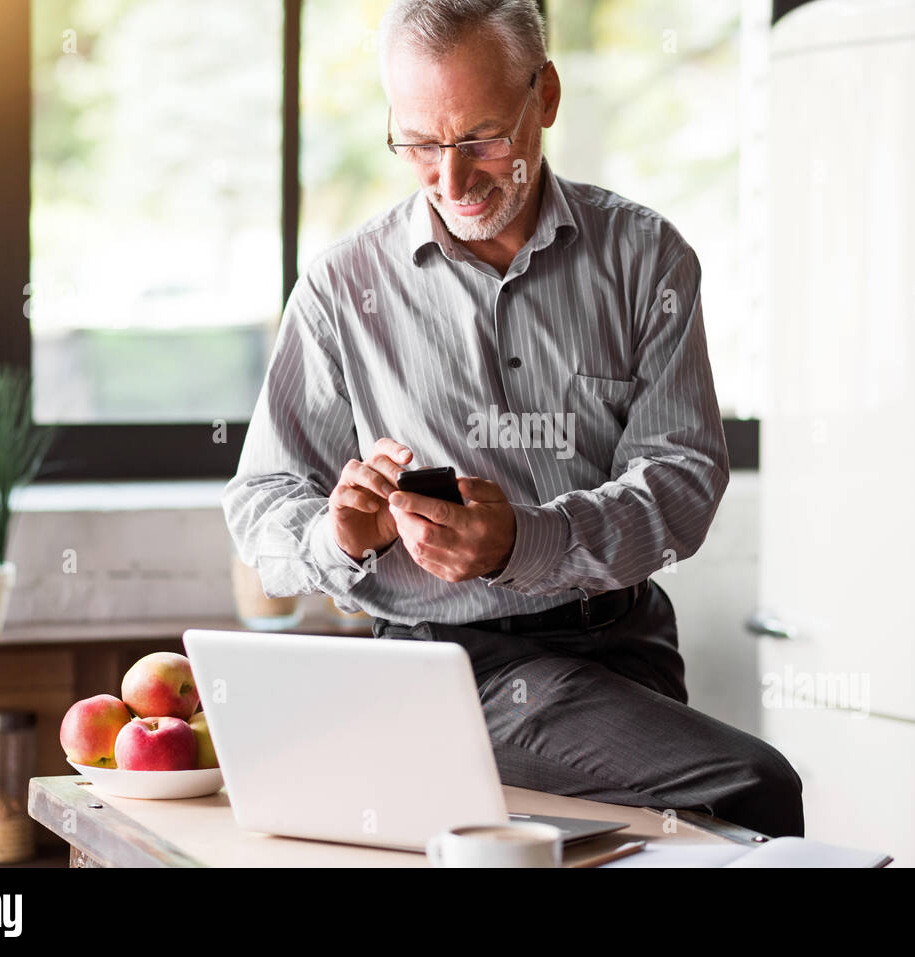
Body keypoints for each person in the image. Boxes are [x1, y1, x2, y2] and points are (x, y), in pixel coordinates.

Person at [224, 0, 803, 837]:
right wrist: (338, 538)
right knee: (751, 783)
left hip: (628, 645)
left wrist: (522, 540)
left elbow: (683, 485)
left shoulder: (647, 259)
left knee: (674, 837)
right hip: (449, 667)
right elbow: (261, 501)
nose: (451, 180)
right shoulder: (338, 289)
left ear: (548, 96)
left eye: (482, 139)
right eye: (420, 143)